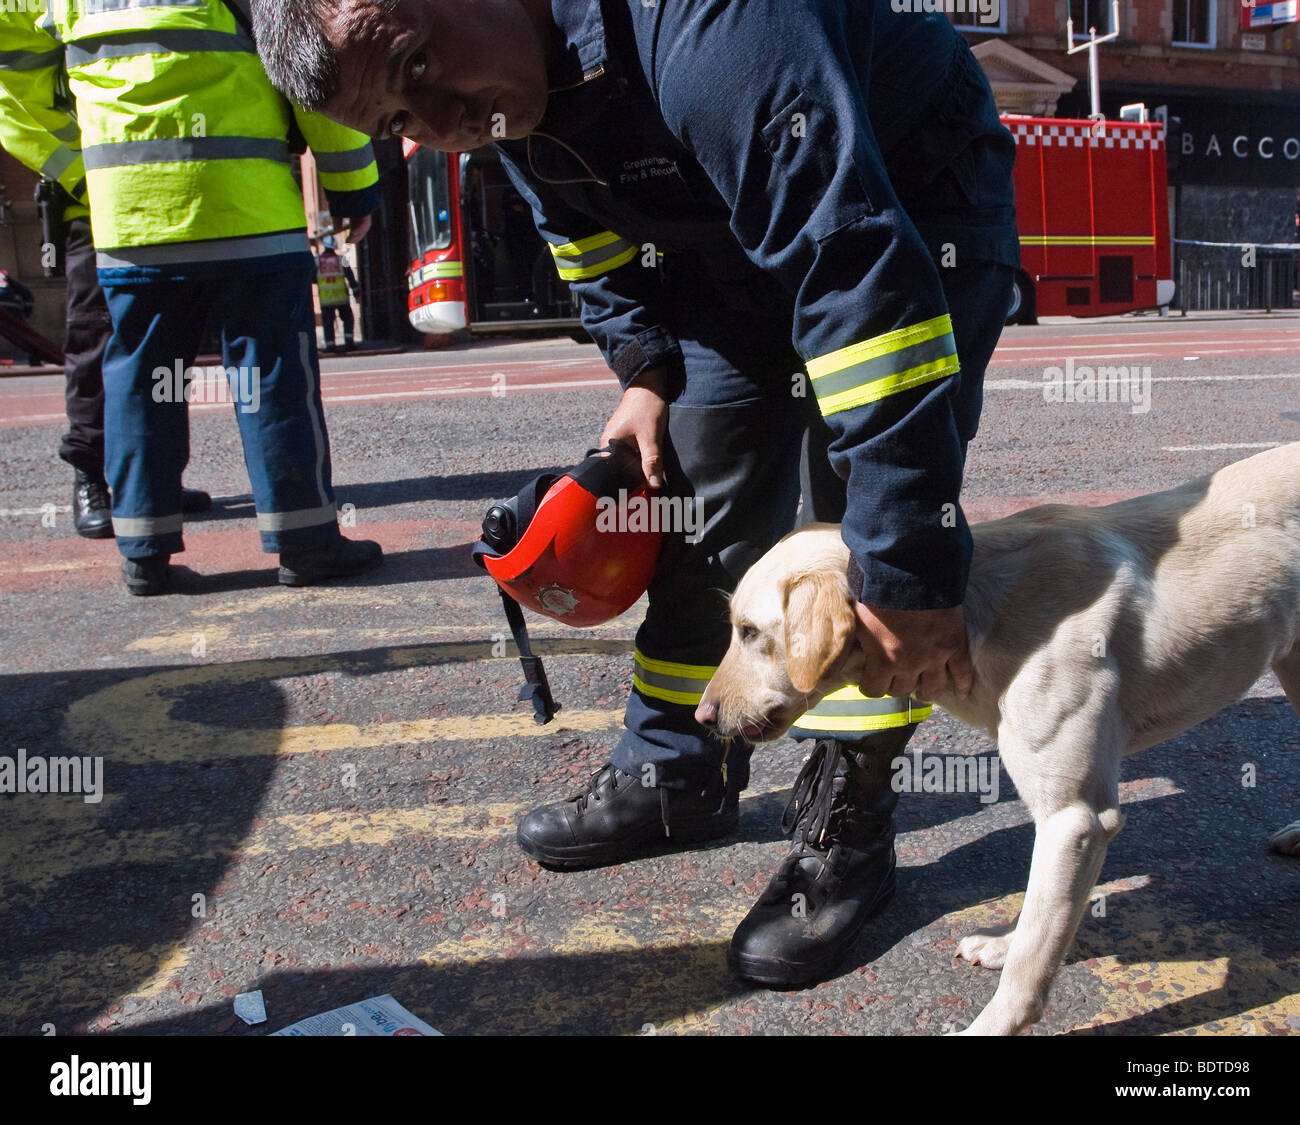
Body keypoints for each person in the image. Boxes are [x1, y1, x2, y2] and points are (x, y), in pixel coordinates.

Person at [257, 0, 1019, 986]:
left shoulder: (709, 30)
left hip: (907, 200)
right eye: (401, 122)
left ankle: (847, 821)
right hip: (723, 233)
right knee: (698, 494)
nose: (444, 117)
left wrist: (911, 572)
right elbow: (581, 232)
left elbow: (859, 275)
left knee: (854, 531)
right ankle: (674, 773)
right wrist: (644, 372)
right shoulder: (503, 97)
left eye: (419, 60)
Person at [1, 0, 384, 595]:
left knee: (141, 381)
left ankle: (144, 553)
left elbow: (12, 82)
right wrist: (352, 184)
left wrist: (82, 169)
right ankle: (305, 543)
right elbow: (311, 66)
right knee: (272, 376)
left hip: (132, 215)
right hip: (246, 205)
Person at [0, 77, 212, 538]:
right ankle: (91, 478)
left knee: (168, 348)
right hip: (91, 207)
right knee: (94, 343)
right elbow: (9, 109)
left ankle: (156, 480)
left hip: (160, 198)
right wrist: (81, 174)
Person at [315, 234, 360, 353]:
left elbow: (311, 278)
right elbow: (351, 277)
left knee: (328, 322)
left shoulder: (317, 261)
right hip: (341, 298)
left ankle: (330, 345)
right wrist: (356, 293)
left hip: (326, 299)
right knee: (348, 319)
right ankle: (349, 342)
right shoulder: (342, 260)